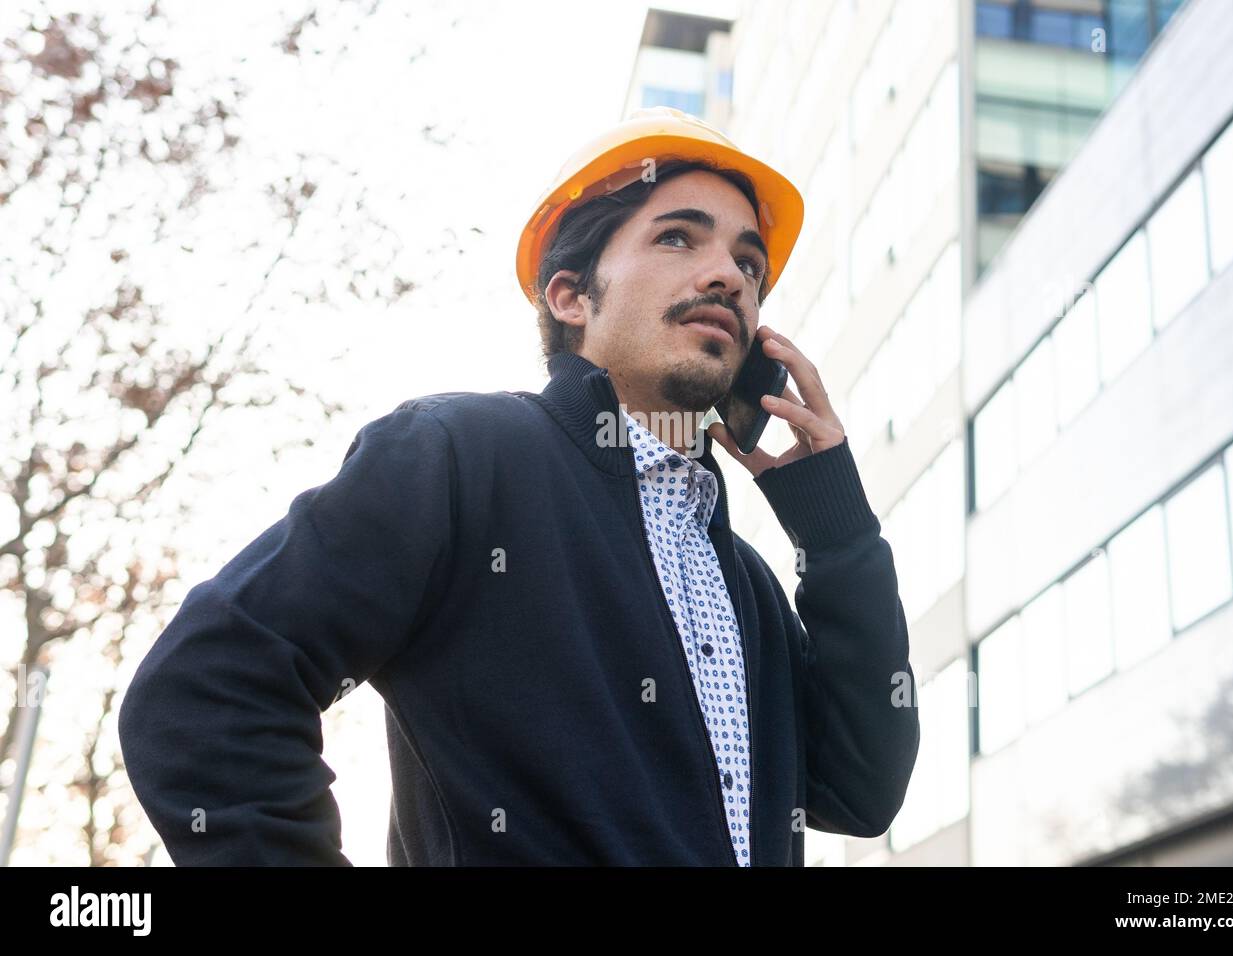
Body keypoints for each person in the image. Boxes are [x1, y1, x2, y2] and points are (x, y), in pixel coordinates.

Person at [118, 106, 920, 866]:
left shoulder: (745, 582)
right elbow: (204, 693)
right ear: (570, 295)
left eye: (750, 263)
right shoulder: (459, 459)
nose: (730, 278)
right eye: (679, 239)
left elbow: (859, 790)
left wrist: (837, 531)